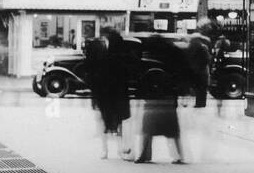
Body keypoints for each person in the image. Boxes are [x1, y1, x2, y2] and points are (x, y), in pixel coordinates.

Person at [133, 35, 185, 164]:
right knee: (172, 131)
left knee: (147, 129)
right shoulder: (172, 58)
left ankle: (144, 155)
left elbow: (141, 81)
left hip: (152, 99)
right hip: (168, 98)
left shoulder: (147, 59)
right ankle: (178, 155)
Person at [88, 27, 131, 160]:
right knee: (115, 123)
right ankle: (115, 150)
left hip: (107, 93)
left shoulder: (106, 51)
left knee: (107, 122)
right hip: (113, 93)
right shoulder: (116, 51)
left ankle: (107, 150)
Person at [187, 24, 212, 109]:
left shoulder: (196, 46)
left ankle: (200, 103)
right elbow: (208, 58)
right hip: (202, 69)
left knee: (199, 87)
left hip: (199, 69)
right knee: (202, 87)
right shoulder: (202, 46)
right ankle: (201, 103)